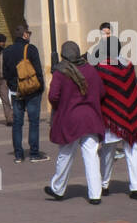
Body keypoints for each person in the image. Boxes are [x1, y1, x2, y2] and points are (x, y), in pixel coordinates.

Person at [45, 41, 106, 204]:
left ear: (64, 55)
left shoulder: (61, 72)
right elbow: (101, 91)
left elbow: (53, 96)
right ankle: (95, 194)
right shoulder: (90, 70)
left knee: (65, 155)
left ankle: (58, 189)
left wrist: (61, 106)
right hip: (91, 118)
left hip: (70, 119)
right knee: (91, 156)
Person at [89, 33, 137, 199]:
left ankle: (104, 184)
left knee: (108, 150)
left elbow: (99, 91)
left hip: (111, 114)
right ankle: (136, 187)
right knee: (133, 149)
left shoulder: (101, 67)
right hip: (131, 112)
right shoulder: (128, 64)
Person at [2, 24, 47, 162]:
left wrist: (12, 85)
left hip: (16, 91)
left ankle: (18, 155)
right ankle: (34, 154)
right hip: (31, 90)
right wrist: (40, 87)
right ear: (25, 35)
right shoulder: (31, 49)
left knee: (17, 123)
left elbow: (5, 72)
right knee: (33, 122)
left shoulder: (7, 50)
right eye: (29, 33)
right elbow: (38, 70)